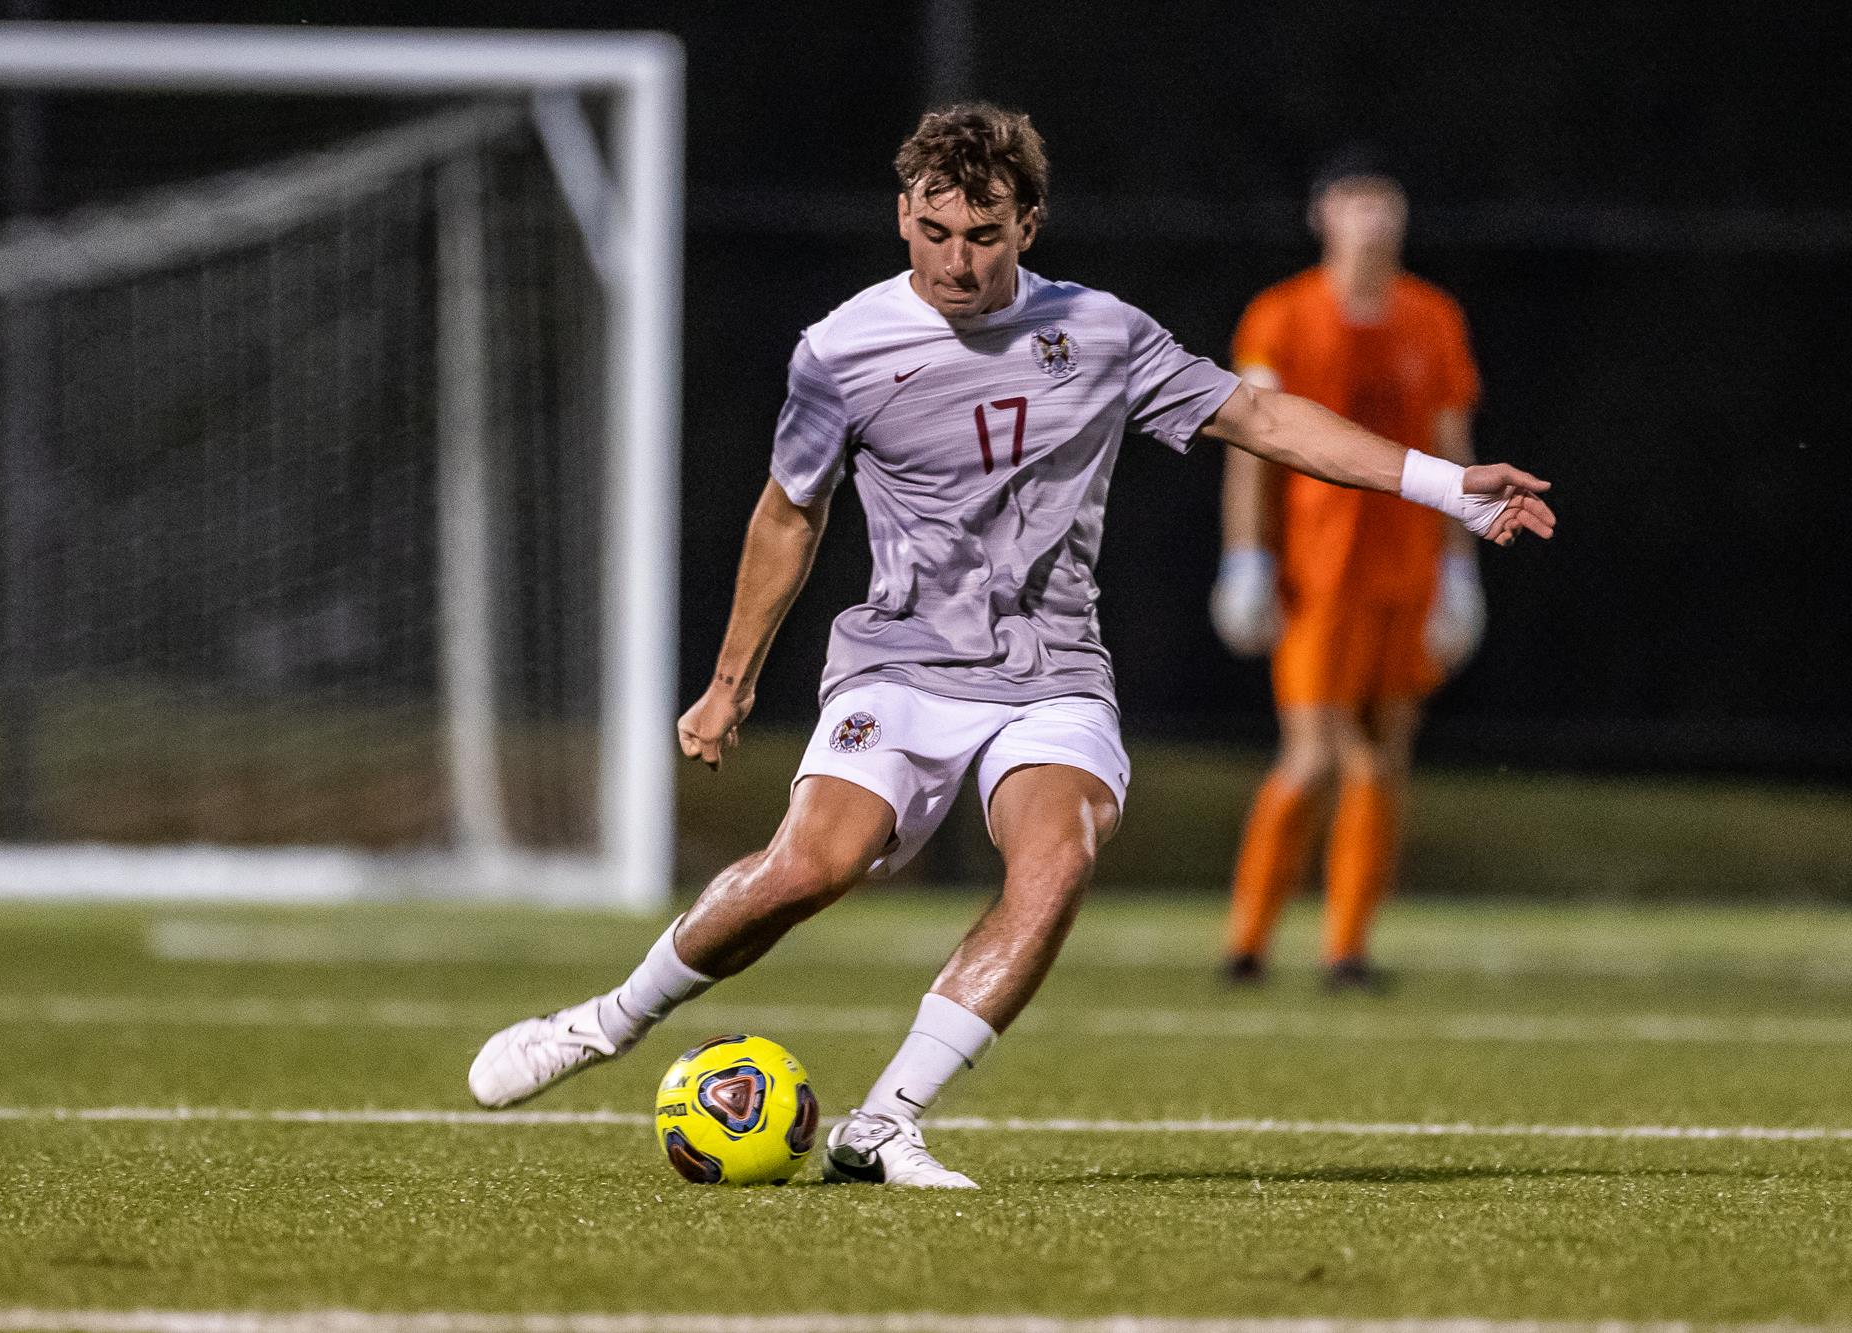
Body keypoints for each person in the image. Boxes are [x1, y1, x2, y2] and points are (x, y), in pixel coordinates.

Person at [469, 108, 1553, 1189]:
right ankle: (608, 1022)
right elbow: (788, 515)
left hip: (1050, 674)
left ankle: (885, 1120)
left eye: (982, 234)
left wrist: (1445, 487)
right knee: (812, 866)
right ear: (902, 216)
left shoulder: (1100, 334)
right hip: (895, 664)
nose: (955, 259)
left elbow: (1259, 422)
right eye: (933, 230)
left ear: (1028, 224)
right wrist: (726, 684)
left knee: (1060, 852)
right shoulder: (840, 349)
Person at [1210, 147, 1490, 993]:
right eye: (1356, 201)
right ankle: (1248, 940)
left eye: (1385, 201)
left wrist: (1461, 569)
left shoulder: (1432, 317)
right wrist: (1248, 555)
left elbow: (1453, 447)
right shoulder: (1282, 316)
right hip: (1317, 573)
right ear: (1322, 215)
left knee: (1383, 755)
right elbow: (1251, 445)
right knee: (1315, 756)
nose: (1373, 217)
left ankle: (1346, 949)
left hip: (1403, 572)